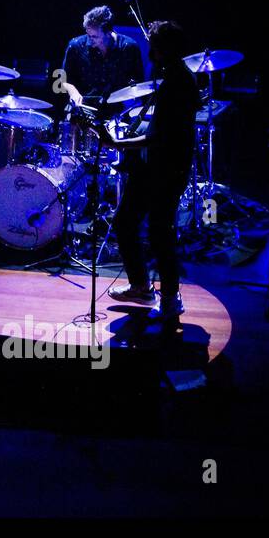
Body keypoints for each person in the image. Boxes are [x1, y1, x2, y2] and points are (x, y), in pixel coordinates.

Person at [105, 21, 201, 325]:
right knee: (125, 222)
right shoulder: (171, 75)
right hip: (154, 165)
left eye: (154, 45)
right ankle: (142, 288)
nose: (150, 50)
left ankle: (171, 299)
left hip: (168, 168)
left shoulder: (178, 83)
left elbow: (157, 137)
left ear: (163, 49)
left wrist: (120, 142)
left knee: (160, 233)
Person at [60, 5, 146, 107]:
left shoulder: (129, 47)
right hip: (84, 106)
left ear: (109, 32)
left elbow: (139, 83)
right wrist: (73, 93)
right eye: (88, 34)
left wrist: (133, 97)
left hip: (118, 109)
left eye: (95, 36)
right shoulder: (76, 45)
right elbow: (63, 79)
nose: (90, 39)